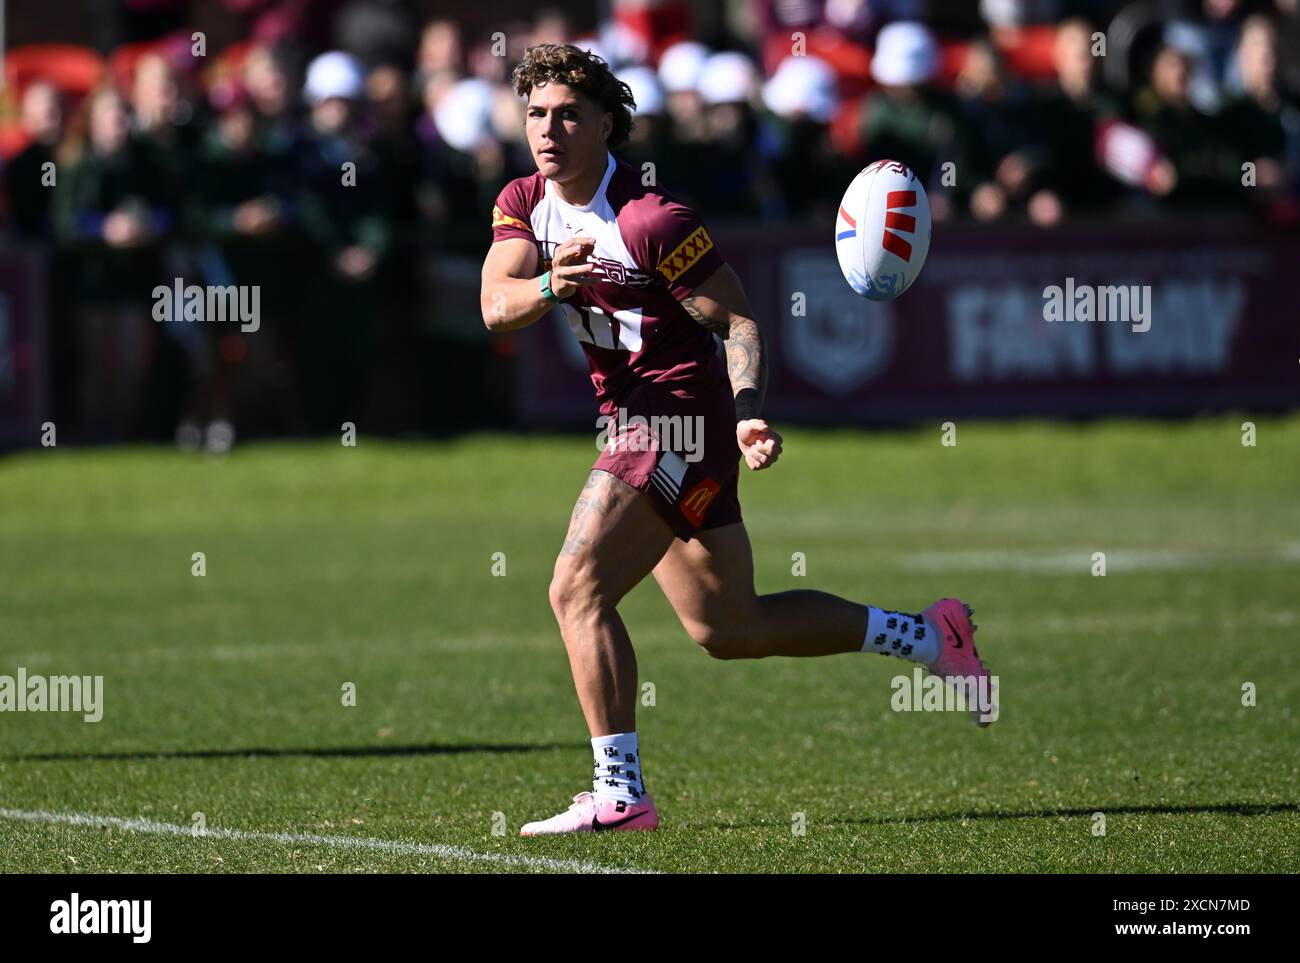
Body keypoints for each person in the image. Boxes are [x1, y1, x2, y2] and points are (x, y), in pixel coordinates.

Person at [479, 44, 994, 836]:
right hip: (634, 428)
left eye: (569, 114)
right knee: (730, 627)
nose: (548, 130)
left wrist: (747, 406)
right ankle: (929, 634)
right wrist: (555, 283)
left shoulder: (654, 220)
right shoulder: (523, 200)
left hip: (675, 424)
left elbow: (738, 319)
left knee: (574, 587)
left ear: (609, 125)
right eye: (536, 114)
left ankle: (621, 793)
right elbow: (496, 303)